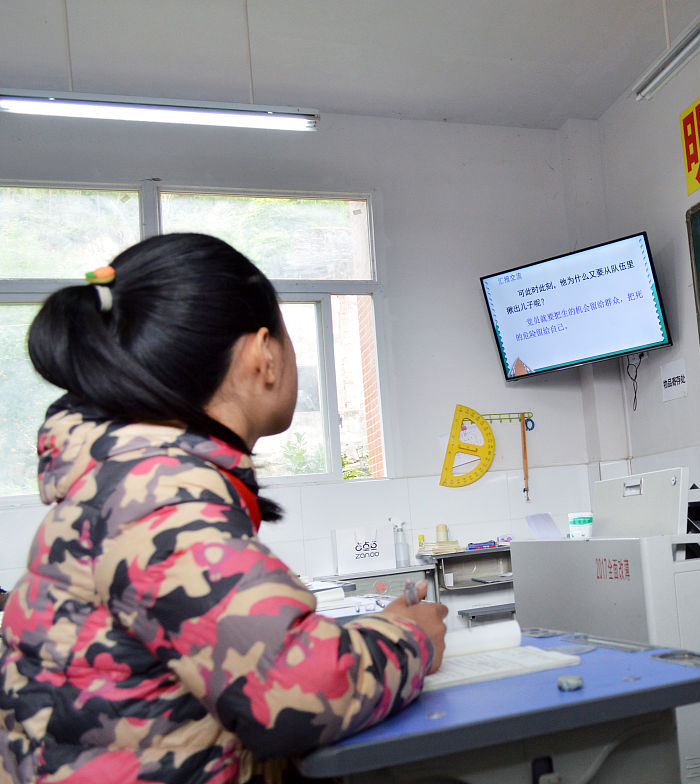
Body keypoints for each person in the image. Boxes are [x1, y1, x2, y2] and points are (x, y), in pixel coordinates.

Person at [0, 234, 449, 783]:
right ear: (263, 355)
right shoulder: (158, 498)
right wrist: (411, 637)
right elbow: (295, 693)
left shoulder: (128, 480)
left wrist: (375, 630)